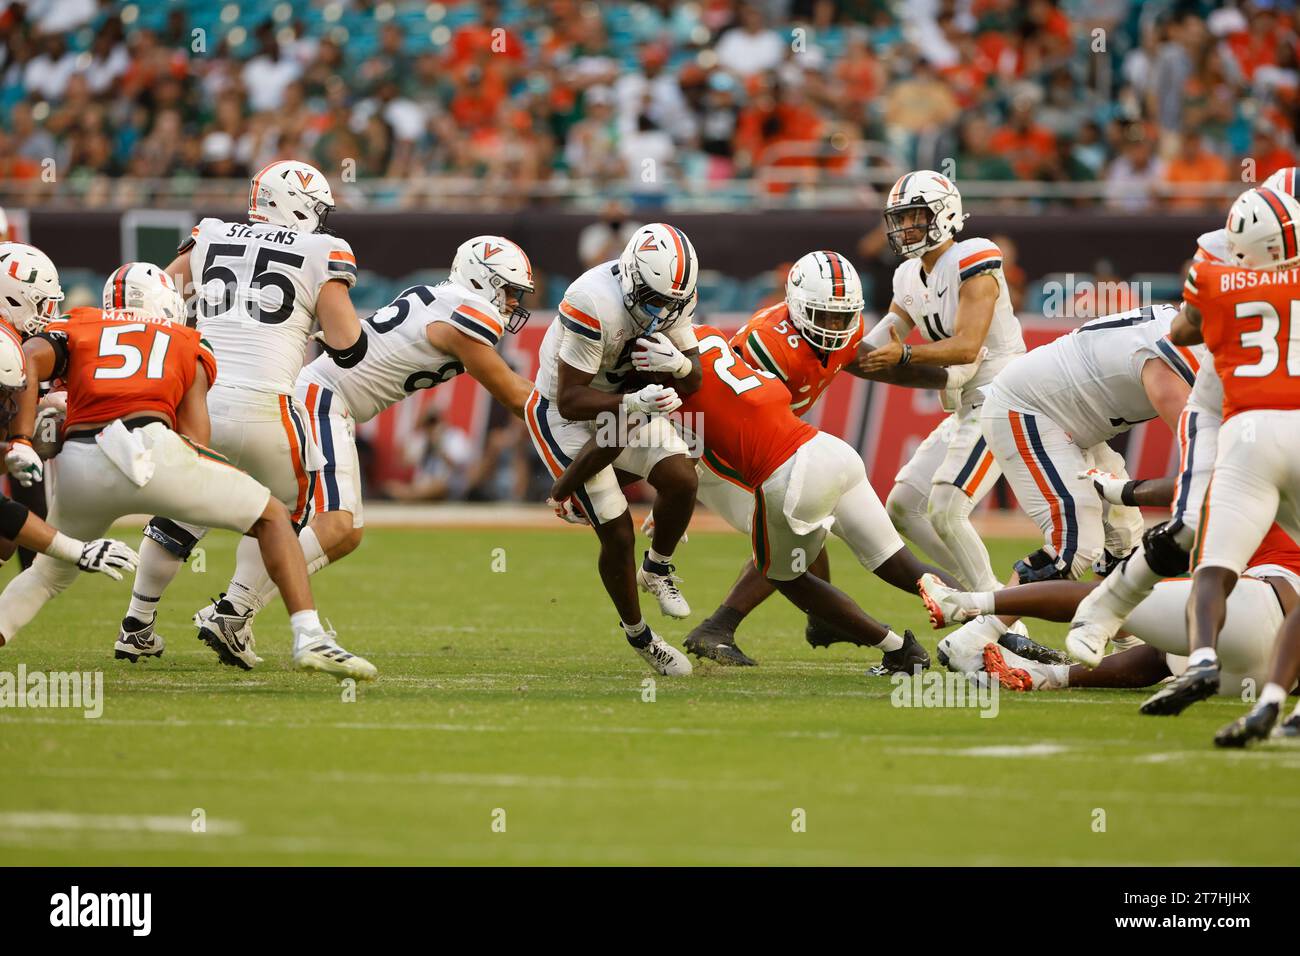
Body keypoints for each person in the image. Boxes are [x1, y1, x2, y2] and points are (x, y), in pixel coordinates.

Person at [0, 260, 370, 678]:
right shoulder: (188, 340)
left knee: (46, 576)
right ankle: (309, 636)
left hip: (82, 460)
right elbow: (196, 439)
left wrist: (22, 438)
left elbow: (28, 356)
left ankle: (132, 620)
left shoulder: (78, 324)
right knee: (271, 517)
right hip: (154, 450)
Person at [552, 324, 945, 675]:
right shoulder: (706, 338)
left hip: (791, 477)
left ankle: (899, 649)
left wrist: (563, 487)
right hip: (831, 450)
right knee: (900, 563)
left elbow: (611, 441)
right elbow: (701, 411)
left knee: (785, 575)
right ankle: (988, 616)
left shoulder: (655, 390)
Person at [114, 160, 371, 672]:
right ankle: (257, 619)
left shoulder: (208, 233)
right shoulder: (321, 250)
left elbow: (154, 299)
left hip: (201, 398)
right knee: (286, 518)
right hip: (270, 406)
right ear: (294, 203)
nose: (320, 221)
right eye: (316, 210)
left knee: (182, 511)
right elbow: (349, 346)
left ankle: (136, 625)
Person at [214, 237, 536, 625]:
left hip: (327, 400)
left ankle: (234, 610)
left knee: (343, 534)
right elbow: (514, 395)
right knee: (333, 525)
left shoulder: (439, 299)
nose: (514, 302)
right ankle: (232, 610)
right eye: (509, 290)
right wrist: (572, 409)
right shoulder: (466, 313)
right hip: (323, 399)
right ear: (482, 280)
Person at [1154, 185, 1300, 742]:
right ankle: (1273, 699)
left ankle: (1204, 658)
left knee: (1213, 566)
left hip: (1246, 433)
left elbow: (1181, 330)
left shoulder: (1215, 277)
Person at [525, 223, 704, 675]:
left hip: (623, 402)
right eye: (653, 301)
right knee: (618, 529)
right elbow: (571, 399)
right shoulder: (594, 301)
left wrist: (680, 363)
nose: (661, 314)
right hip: (564, 414)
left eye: (671, 305)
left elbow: (694, 379)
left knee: (683, 477)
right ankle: (640, 635)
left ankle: (658, 568)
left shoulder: (671, 295)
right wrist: (633, 402)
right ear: (629, 277)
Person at [861, 170, 1027, 595]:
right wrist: (823, 350)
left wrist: (907, 354)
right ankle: (988, 595)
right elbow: (877, 342)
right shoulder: (907, 276)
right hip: (969, 402)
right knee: (904, 506)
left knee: (947, 508)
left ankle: (994, 611)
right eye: (900, 218)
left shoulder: (974, 256)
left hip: (1005, 396)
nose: (905, 227)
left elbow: (968, 346)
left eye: (915, 216)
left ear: (944, 213)